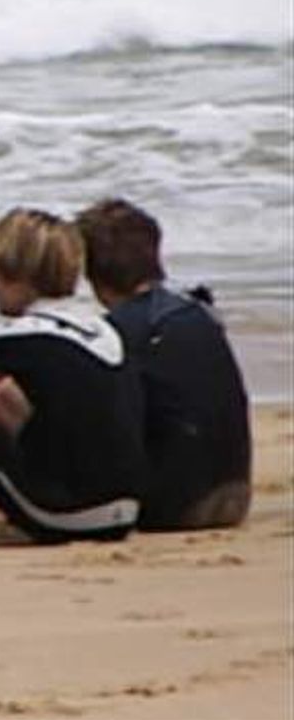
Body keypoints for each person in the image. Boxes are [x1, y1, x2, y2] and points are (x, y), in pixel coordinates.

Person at [0, 208, 146, 545]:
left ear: (19, 278)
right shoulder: (101, 329)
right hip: (124, 511)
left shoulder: (22, 336)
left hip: (66, 516)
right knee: (7, 397)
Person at [76, 198, 251, 531]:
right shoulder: (200, 312)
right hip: (235, 494)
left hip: (176, 508)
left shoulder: (119, 331)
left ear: (90, 270)